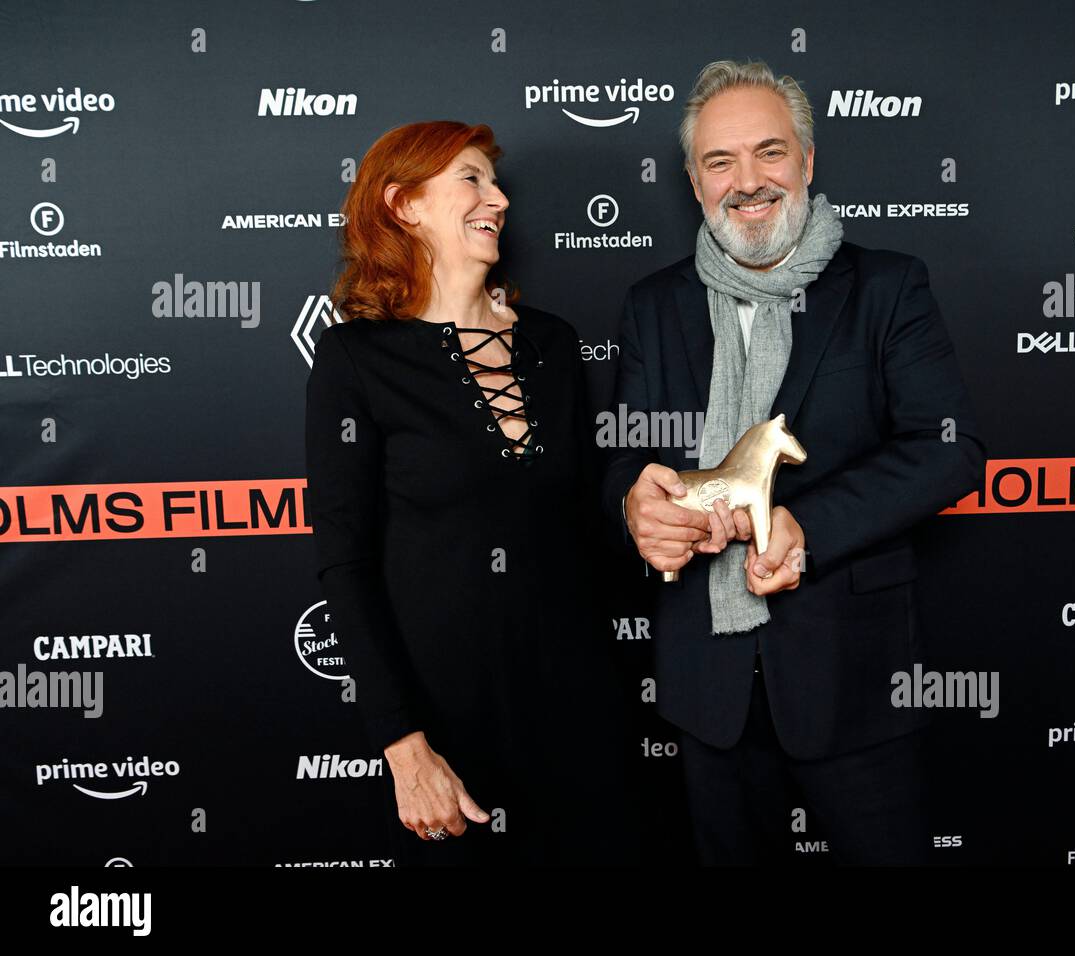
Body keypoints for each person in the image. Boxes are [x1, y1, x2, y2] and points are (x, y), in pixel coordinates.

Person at [602, 60, 988, 864]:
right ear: (694, 180)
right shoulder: (653, 304)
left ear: (807, 163)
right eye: (720, 161)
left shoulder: (887, 288)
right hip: (706, 686)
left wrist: (803, 524)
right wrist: (636, 506)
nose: (748, 181)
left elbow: (947, 451)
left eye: (770, 153)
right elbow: (625, 458)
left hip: (855, 677)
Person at [305, 120, 635, 865]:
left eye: (495, 179)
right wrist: (404, 746)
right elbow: (344, 565)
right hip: (447, 727)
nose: (500, 198)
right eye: (472, 178)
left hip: (579, 710)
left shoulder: (552, 344)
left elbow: (586, 524)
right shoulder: (357, 359)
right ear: (404, 204)